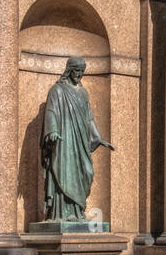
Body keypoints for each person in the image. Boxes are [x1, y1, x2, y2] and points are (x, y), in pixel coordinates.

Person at [41, 57, 114, 221]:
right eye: (77, 71)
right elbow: (51, 111)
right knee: (64, 171)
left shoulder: (83, 92)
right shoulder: (57, 90)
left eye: (82, 71)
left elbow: (89, 118)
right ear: (69, 70)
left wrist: (98, 138)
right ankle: (62, 213)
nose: (80, 75)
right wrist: (52, 130)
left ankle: (77, 210)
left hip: (80, 140)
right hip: (64, 141)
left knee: (86, 172)